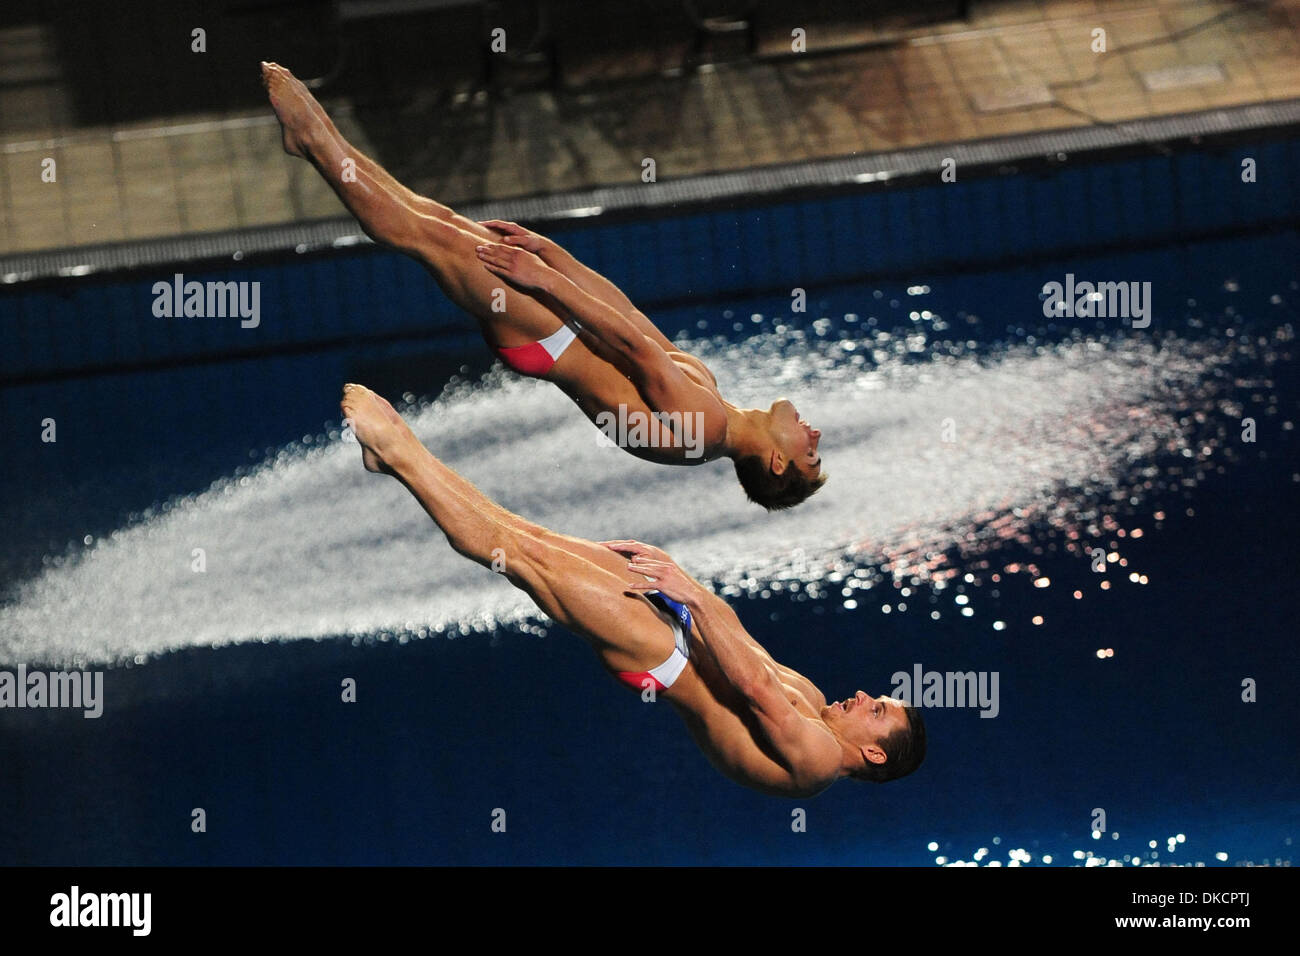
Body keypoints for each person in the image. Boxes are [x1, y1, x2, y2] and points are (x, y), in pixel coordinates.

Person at [263, 61, 824, 510]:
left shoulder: (706, 429)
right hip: (557, 327)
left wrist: (545, 282)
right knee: (434, 219)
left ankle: (312, 139)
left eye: (811, 455)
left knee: (421, 234)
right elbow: (629, 319)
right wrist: (555, 257)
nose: (814, 435)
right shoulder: (714, 402)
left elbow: (631, 348)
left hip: (550, 336)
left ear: (777, 464)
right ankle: (320, 137)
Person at [339, 382, 923, 795]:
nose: (866, 696)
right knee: (526, 535)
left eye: (877, 711)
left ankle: (396, 447)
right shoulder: (818, 705)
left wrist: (689, 599)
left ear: (873, 753)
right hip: (676, 622)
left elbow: (749, 684)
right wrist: (683, 585)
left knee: (519, 555)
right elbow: (743, 646)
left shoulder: (818, 762)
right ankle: (389, 457)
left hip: (663, 656)